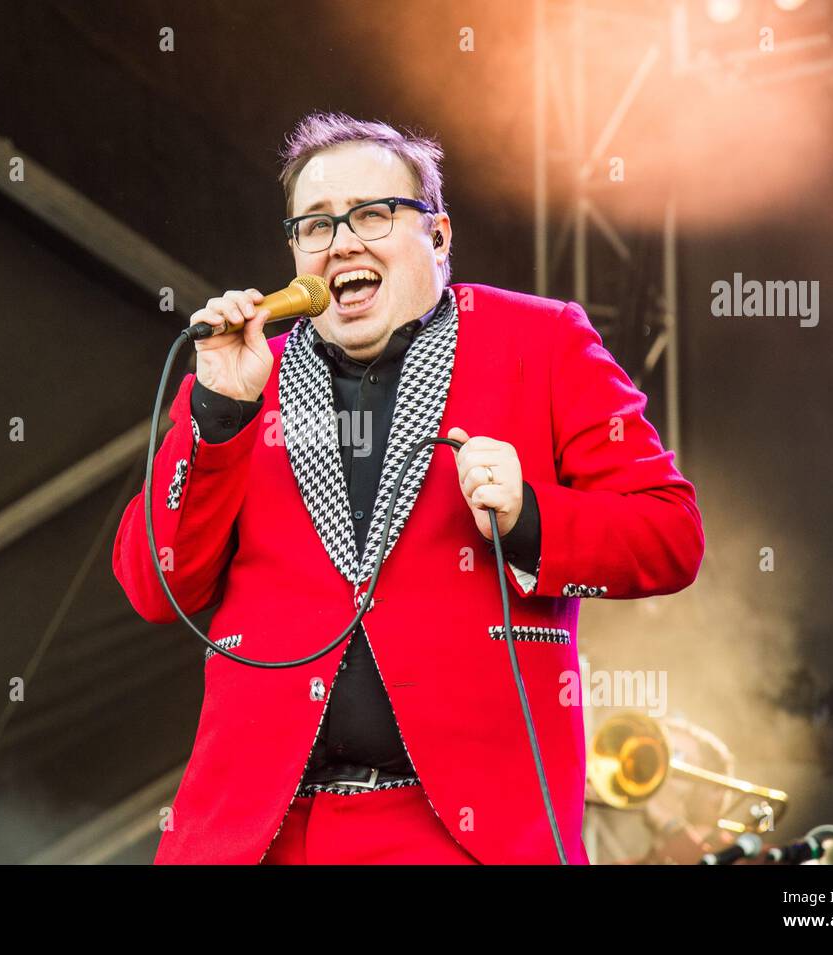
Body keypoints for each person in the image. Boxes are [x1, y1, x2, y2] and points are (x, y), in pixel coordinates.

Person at [112, 111, 704, 864]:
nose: (342, 242)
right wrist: (218, 417)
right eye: (316, 225)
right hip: (258, 837)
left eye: (372, 214)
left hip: (461, 836)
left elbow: (671, 535)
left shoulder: (541, 342)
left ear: (439, 235)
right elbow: (154, 589)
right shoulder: (244, 378)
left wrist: (528, 517)